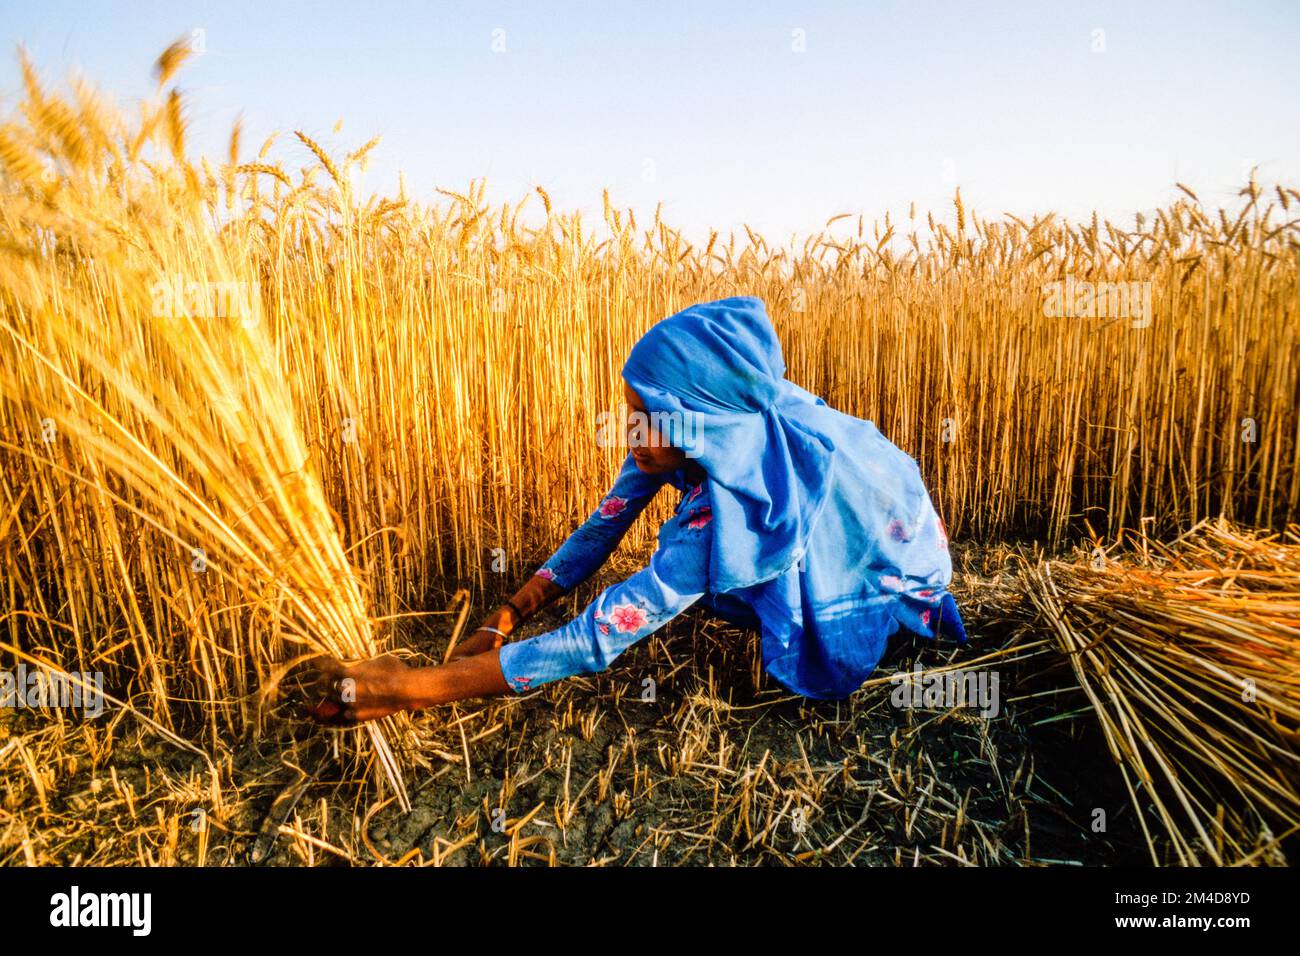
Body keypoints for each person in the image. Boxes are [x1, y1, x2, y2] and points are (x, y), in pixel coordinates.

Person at [304, 296, 966, 725]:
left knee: (738, 588)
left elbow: (595, 640)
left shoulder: (719, 521)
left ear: (700, 422)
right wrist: (507, 615)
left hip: (892, 548)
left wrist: (408, 689)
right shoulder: (686, 430)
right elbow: (601, 530)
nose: (632, 435)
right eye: (631, 415)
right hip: (845, 509)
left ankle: (848, 608)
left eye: (646, 419)